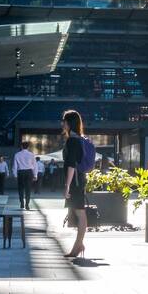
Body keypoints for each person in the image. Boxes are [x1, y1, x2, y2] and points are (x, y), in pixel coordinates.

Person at [61, 109, 96, 259]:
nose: (62, 124)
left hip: (75, 180)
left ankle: (78, 245)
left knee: (80, 212)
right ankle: (78, 244)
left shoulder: (73, 140)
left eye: (64, 121)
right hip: (79, 179)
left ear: (69, 123)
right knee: (77, 211)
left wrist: (67, 185)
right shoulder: (79, 139)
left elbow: (71, 164)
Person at [12, 141, 36, 211]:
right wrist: (35, 175)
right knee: (28, 189)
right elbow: (35, 165)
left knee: (21, 188)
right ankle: (27, 204)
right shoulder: (31, 155)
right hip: (29, 172)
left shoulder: (17, 154)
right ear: (28, 147)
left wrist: (15, 175)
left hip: (21, 172)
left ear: (21, 146)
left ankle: (22, 203)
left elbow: (14, 166)